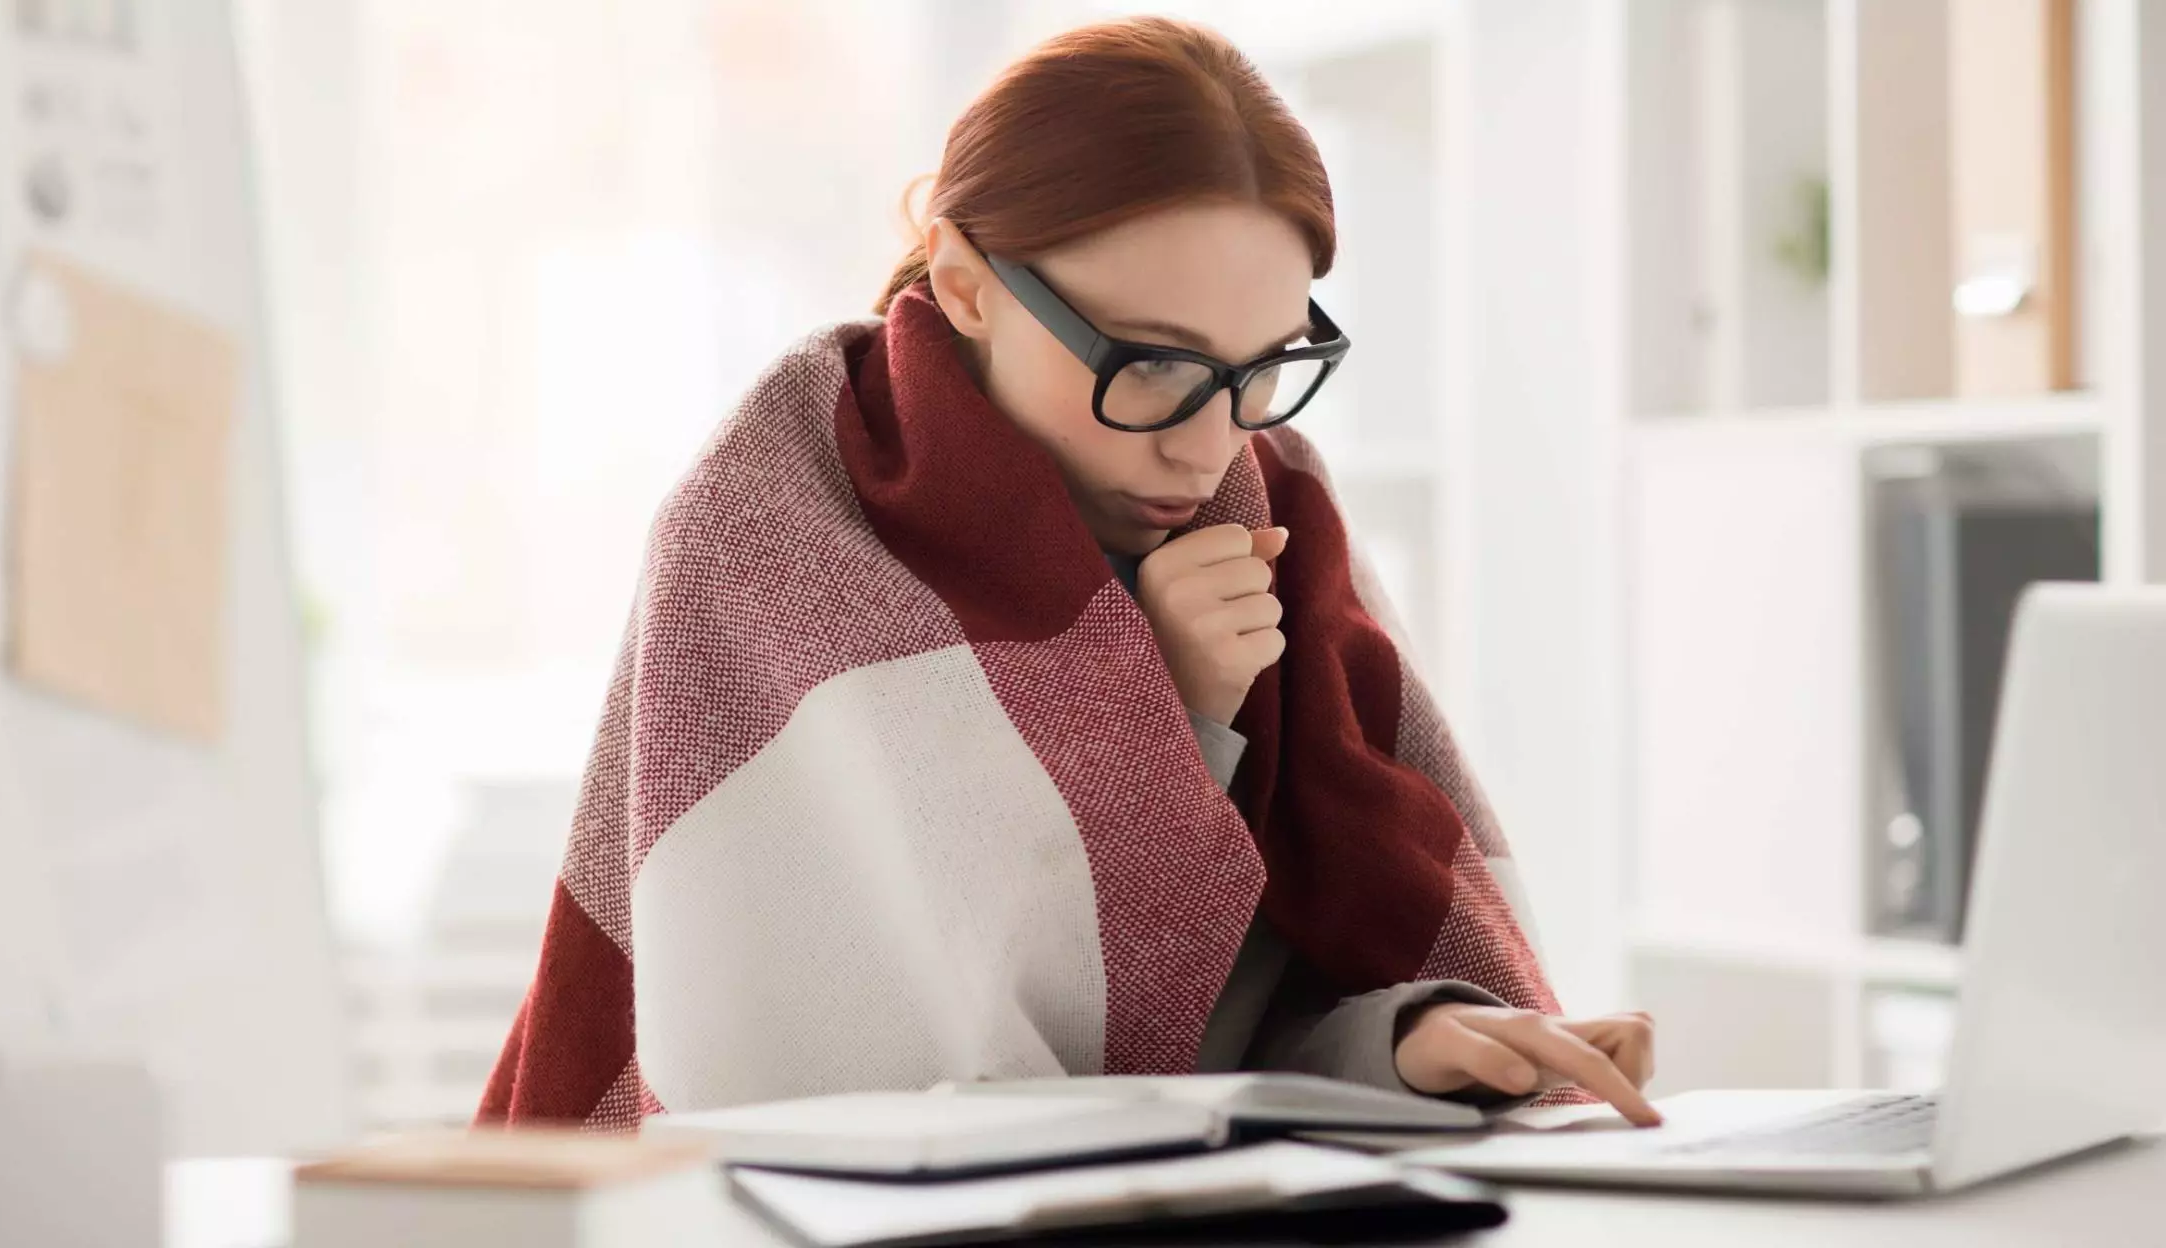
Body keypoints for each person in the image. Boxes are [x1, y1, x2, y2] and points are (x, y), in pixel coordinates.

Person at [480, 15, 1659, 1132]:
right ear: (966, 280)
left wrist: (1413, 1040)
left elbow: (1218, 1045)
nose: (1207, 445)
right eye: (1151, 365)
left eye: (1263, 369)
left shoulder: (1278, 510)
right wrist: (1175, 709)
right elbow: (923, 1080)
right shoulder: (772, 534)